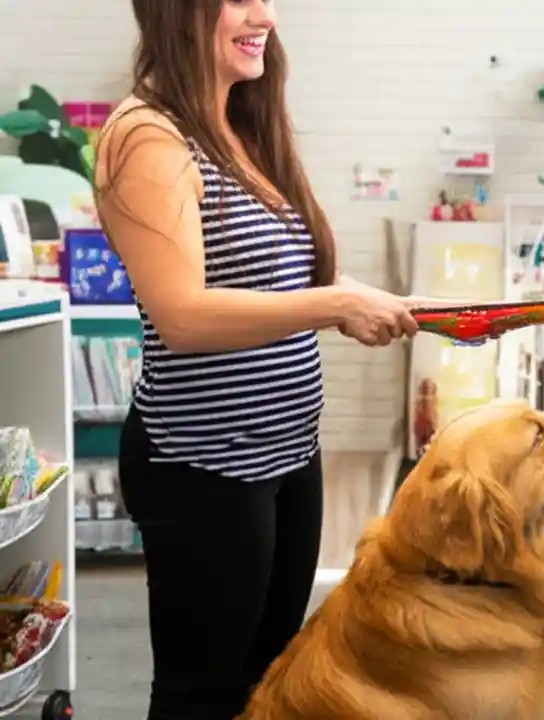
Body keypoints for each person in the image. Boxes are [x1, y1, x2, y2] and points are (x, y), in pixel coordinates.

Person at [94, 1, 429, 717]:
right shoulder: (148, 138)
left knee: (268, 676)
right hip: (204, 465)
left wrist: (373, 299)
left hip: (283, 451)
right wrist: (336, 307)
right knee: (202, 690)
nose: (265, 16)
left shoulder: (238, 126)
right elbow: (182, 315)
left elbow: (277, 285)